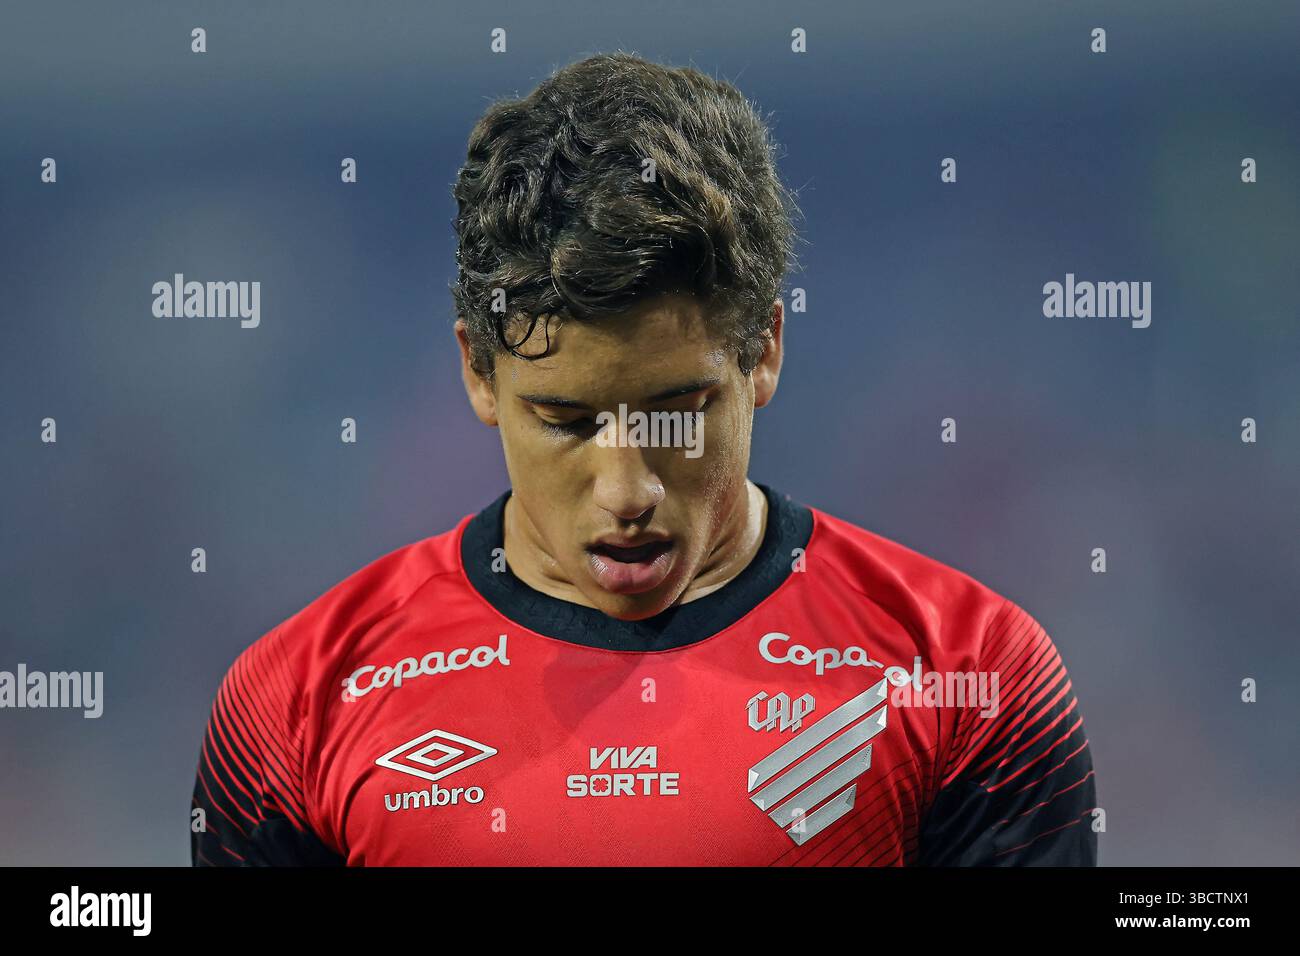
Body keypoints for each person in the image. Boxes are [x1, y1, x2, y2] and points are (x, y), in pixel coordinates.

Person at [191, 52, 1097, 866]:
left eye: (679, 412)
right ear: (477, 370)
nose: (627, 491)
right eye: (566, 420)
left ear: (765, 350)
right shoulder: (294, 707)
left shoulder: (971, 675)